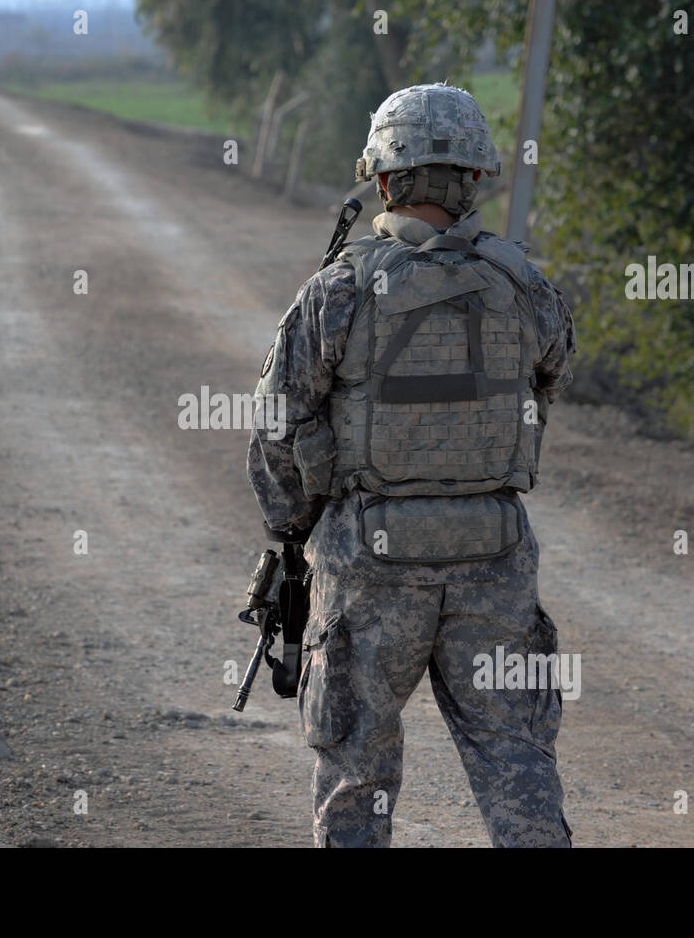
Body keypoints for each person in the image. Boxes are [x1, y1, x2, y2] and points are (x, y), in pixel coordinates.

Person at [247, 83, 577, 848]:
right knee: (516, 762)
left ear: (384, 180)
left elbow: (275, 428)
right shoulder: (527, 286)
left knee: (356, 777)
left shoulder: (336, 291)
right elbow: (548, 380)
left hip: (369, 564)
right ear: (473, 182)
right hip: (494, 557)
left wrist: (296, 526)